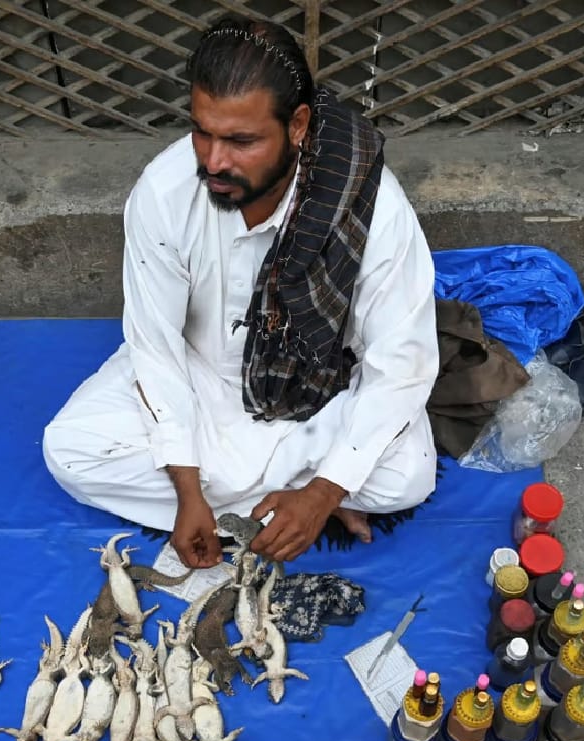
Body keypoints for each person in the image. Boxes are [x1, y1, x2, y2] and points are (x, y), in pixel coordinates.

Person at [43, 16, 439, 568]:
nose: (213, 161)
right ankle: (283, 500)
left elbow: (402, 365)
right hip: (201, 377)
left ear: (297, 126)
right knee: (70, 451)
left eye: (241, 141)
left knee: (409, 475)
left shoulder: (374, 207)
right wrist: (187, 492)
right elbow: (154, 346)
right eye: (202, 131)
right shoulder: (164, 192)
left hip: (320, 389)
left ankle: (295, 496)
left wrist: (323, 491)